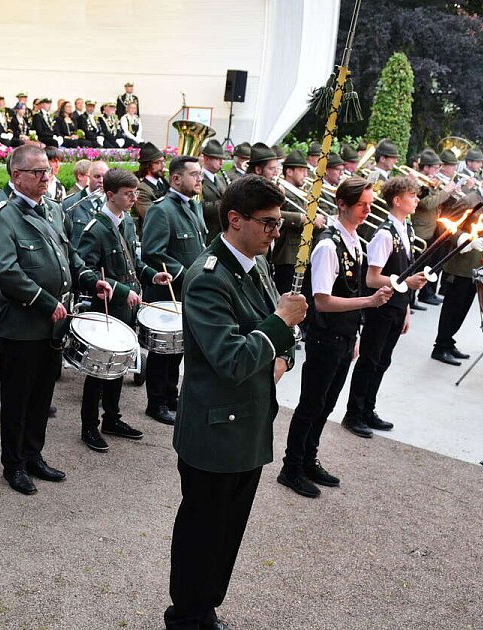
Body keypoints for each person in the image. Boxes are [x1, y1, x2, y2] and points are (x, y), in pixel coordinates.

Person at [166, 175, 306, 630]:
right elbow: (230, 358)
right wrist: (281, 324)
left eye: (279, 223)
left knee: (228, 532)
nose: (275, 232)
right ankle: (186, 615)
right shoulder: (208, 277)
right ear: (234, 219)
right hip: (214, 429)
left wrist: (281, 353)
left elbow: (274, 338)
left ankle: (207, 607)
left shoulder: (254, 264)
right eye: (267, 223)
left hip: (247, 424)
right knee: (203, 532)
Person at [0, 145, 118, 495]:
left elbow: (69, 256)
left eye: (48, 171)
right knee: (18, 397)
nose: (46, 178)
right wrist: (45, 302)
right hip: (23, 323)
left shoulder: (54, 210)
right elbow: (5, 271)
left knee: (43, 393)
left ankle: (34, 455)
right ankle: (13, 464)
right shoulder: (2, 216)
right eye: (37, 172)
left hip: (53, 323)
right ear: (17, 176)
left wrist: (91, 279)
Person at [278, 177, 393, 498]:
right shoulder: (328, 246)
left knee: (327, 404)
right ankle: (291, 467)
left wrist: (354, 333)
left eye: (370, 205)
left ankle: (308, 459)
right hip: (325, 337)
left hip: (343, 336)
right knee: (311, 404)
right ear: (342, 204)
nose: (367, 211)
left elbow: (351, 288)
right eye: (361, 205)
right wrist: (369, 302)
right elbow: (322, 300)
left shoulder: (355, 240)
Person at [75, 168, 170, 452]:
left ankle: (112, 418)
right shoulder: (97, 228)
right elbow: (86, 271)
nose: (133, 198)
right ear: (110, 195)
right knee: (100, 368)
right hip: (107, 308)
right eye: (128, 194)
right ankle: (89, 426)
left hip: (127, 308)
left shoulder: (127, 222)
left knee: (121, 364)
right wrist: (121, 290)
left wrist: (152, 275)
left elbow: (132, 263)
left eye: (135, 193)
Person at [342, 176, 428, 438]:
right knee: (370, 360)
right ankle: (353, 413)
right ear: (397, 200)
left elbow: (406, 271)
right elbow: (372, 277)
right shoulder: (384, 234)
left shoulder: (407, 229)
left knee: (383, 361)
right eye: (412, 196)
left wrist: (407, 309)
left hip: (397, 306)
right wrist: (405, 282)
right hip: (381, 307)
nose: (417, 200)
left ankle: (369, 408)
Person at [141, 156, 207, 426]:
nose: (199, 179)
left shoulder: (195, 207)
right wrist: (188, 275)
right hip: (167, 292)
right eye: (194, 174)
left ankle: (171, 396)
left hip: (188, 293)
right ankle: (155, 403)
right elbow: (152, 252)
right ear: (176, 179)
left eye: (201, 174)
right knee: (162, 351)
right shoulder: (162, 209)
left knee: (179, 347)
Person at [432, 161, 483, 365]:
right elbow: (446, 227)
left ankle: (448, 342)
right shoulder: (469, 200)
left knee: (464, 307)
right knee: (453, 307)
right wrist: (463, 239)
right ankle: (440, 347)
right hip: (461, 265)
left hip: (478, 264)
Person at [271, 149, 322, 293]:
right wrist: (306, 218)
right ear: (289, 172)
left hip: (304, 252)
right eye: (301, 170)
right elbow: (277, 214)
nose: (306, 175)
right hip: (287, 254)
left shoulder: (301, 191)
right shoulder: (281, 190)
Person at [410, 149, 451, 306]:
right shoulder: (418, 182)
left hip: (432, 227)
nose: (437, 171)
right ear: (425, 168)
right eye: (435, 167)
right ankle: (411, 299)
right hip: (421, 228)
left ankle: (419, 296)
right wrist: (446, 192)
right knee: (415, 265)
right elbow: (427, 204)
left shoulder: (429, 181)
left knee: (424, 265)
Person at [64, 160, 109, 239]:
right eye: (97, 176)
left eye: (105, 177)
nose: (101, 181)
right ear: (89, 177)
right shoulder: (70, 203)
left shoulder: (114, 203)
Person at [200, 140, 229, 244]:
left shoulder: (221, 179)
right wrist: (225, 204)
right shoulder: (199, 180)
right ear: (206, 159)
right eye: (217, 159)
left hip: (221, 232)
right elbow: (200, 206)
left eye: (222, 159)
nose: (222, 163)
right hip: (207, 233)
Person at [133, 142, 168, 220]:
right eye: (158, 162)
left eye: (163, 161)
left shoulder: (166, 181)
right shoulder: (141, 190)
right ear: (147, 166)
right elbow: (152, 217)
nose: (163, 165)